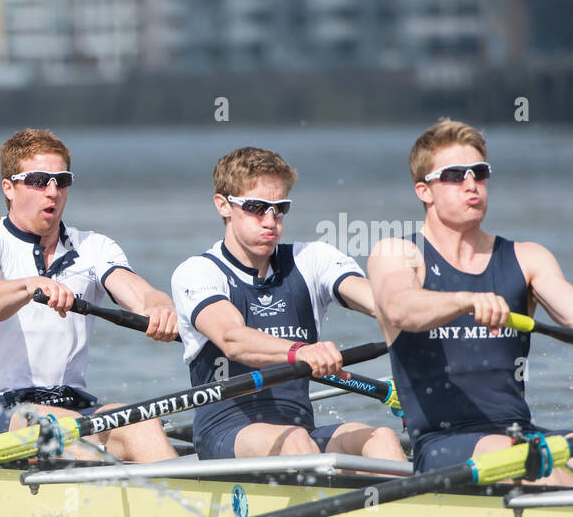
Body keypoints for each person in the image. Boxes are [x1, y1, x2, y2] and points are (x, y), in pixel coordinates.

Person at [0, 128, 179, 461]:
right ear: (9, 188)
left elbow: (141, 295)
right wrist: (30, 285)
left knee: (141, 421)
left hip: (73, 404)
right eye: (39, 180)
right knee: (63, 432)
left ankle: (187, 504)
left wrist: (162, 309)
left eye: (62, 180)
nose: (53, 191)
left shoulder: (94, 247)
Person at [368, 118, 573, 481]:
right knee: (544, 470)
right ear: (424, 190)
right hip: (444, 445)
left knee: (537, 458)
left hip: (520, 435)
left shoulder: (527, 257)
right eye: (454, 175)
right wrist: (465, 300)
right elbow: (401, 309)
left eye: (479, 173)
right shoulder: (397, 254)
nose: (470, 184)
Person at [171, 147, 404, 462]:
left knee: (381, 438)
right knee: (294, 440)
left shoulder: (312, 259)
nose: (271, 221)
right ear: (223, 205)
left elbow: (381, 302)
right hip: (226, 434)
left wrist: (437, 309)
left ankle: (416, 509)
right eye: (256, 207)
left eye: (280, 209)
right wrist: (299, 351)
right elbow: (232, 338)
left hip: (299, 434)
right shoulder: (198, 272)